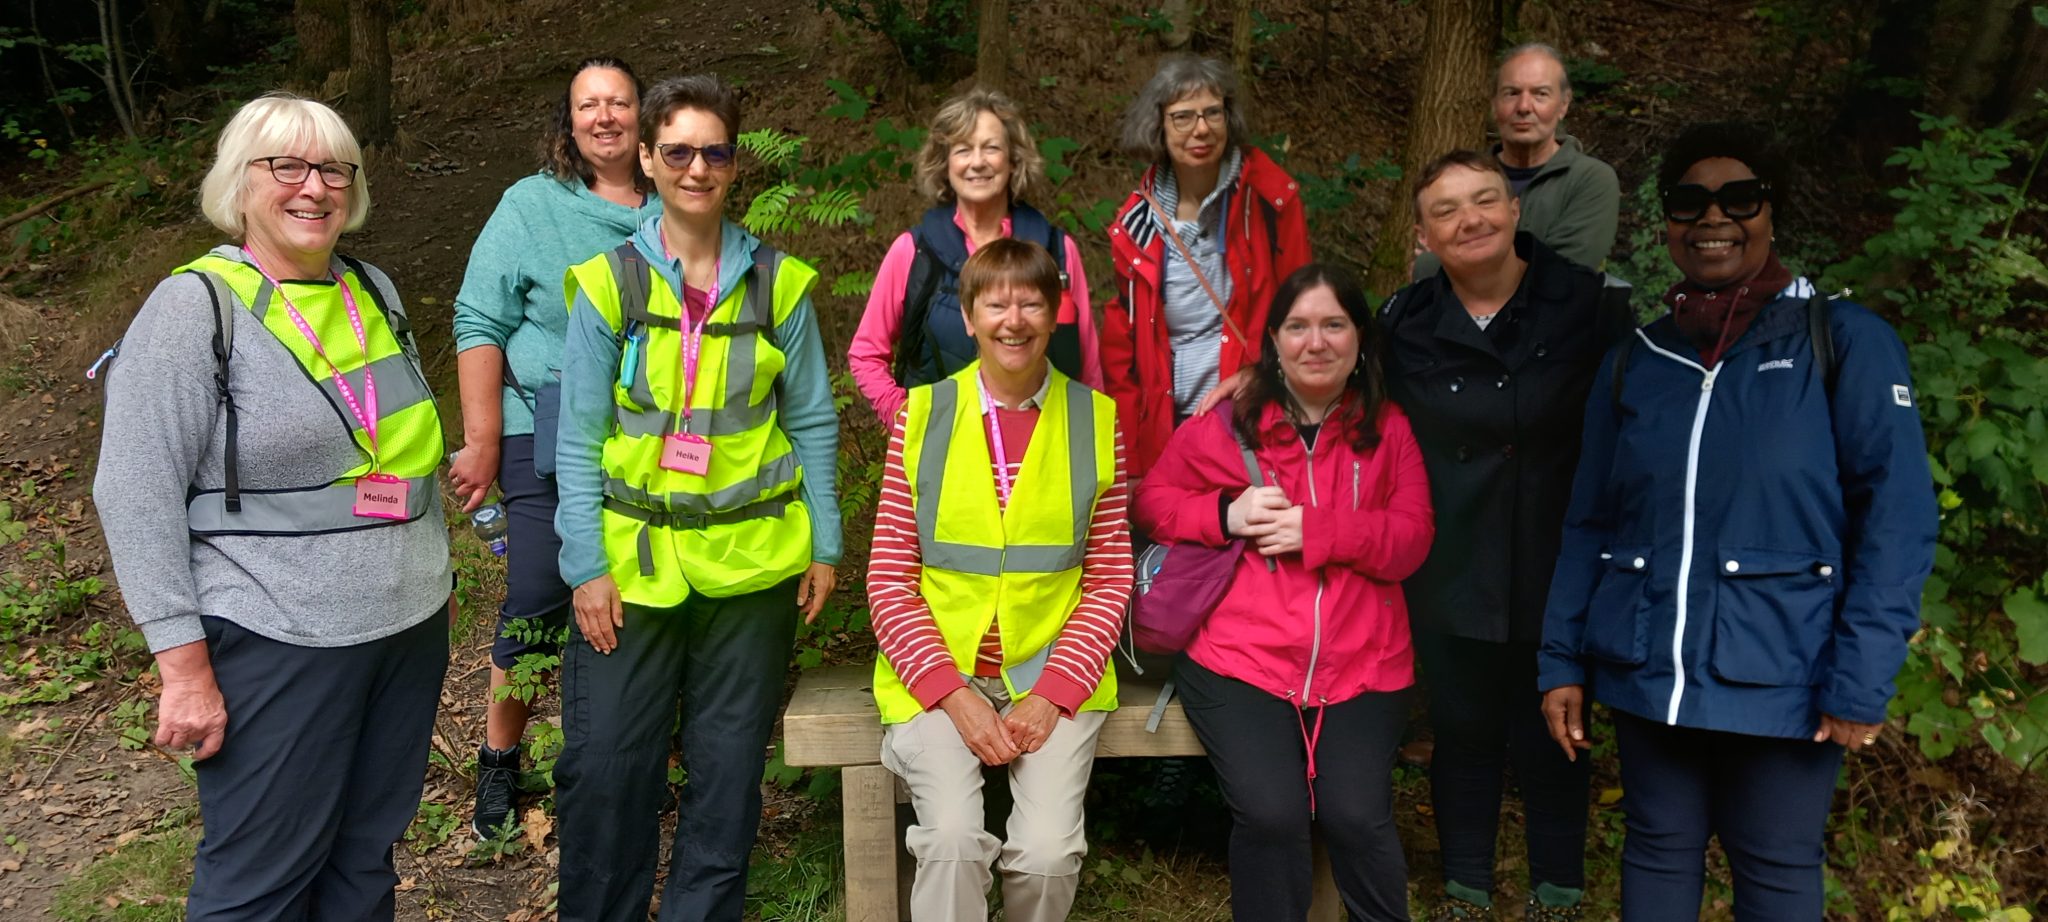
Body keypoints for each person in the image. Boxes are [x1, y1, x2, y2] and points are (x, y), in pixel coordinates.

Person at [1537, 123, 1937, 920]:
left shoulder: (1843, 341)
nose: (1713, 217)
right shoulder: (1640, 360)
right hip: (1650, 668)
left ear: (1772, 214)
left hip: (1786, 673)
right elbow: (1589, 520)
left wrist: (1861, 678)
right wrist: (1562, 660)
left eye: (1738, 199)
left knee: (1779, 869)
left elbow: (1896, 519)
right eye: (1690, 202)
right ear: (1667, 225)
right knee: (1653, 851)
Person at [92, 93, 451, 920]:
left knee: (365, 864)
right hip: (276, 635)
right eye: (285, 165)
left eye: (332, 168)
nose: (313, 187)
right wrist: (181, 665)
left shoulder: (375, 288)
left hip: (405, 628)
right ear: (239, 184)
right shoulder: (195, 308)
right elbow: (133, 486)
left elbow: (390, 453)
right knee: (261, 880)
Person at [550, 73, 841, 921]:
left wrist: (824, 541)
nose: (697, 167)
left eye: (714, 151)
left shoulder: (778, 285)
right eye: (677, 151)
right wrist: (584, 565)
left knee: (725, 771)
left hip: (752, 566)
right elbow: (577, 437)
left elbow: (814, 421)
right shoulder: (608, 285)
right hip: (631, 570)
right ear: (646, 158)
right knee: (606, 767)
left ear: (734, 163)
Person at [1135, 264, 1434, 922]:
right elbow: (1153, 503)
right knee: (1272, 815)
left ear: (1361, 337)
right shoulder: (1228, 422)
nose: (1316, 342)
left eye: (1333, 325)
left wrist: (1320, 529)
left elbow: (1412, 540)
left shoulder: (1389, 430)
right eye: (1298, 327)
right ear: (1272, 341)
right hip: (1240, 660)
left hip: (1366, 662)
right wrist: (1224, 515)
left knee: (1356, 816)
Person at [1380, 150, 1634, 921]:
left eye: (1485, 200)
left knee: (1559, 732)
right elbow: (1337, 392)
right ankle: (1466, 888)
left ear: (1515, 209)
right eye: (1448, 210)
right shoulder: (1405, 321)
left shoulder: (1590, 305)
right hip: (1455, 562)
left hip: (1561, 557)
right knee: (1461, 733)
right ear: (1424, 234)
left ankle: (1557, 891)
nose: (1472, 220)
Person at [867, 238, 1133, 922]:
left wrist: (1052, 695)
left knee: (1046, 852)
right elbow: (890, 579)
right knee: (953, 840)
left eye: (1031, 302)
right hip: (937, 677)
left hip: (1052, 675)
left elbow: (1108, 580)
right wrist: (953, 697)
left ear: (1055, 313)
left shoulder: (1098, 421)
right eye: (996, 302)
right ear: (968, 314)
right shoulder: (919, 418)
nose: (1013, 319)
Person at [449, 54, 659, 838]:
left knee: (642, 592)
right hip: (541, 425)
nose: (605, 116)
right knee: (541, 588)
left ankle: (614, 758)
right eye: (587, 105)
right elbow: (479, 321)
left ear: (645, 115)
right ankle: (501, 759)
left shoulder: (672, 205)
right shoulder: (531, 207)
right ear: (567, 122)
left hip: (647, 435)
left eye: (620, 102)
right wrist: (479, 442)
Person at [1102, 55, 1311, 477]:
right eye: (1182, 117)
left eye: (1212, 113)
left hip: (1253, 420)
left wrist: (1264, 372)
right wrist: (1132, 461)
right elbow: (1123, 353)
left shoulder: (1269, 201)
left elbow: (1304, 307)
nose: (1201, 129)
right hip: (1168, 427)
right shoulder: (1136, 224)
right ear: (1159, 125)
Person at [848, 87, 1103, 423]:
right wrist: (902, 415)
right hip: (941, 452)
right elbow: (866, 354)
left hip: (1041, 447)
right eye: (963, 149)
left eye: (992, 148)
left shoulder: (1056, 250)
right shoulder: (914, 252)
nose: (978, 162)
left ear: (1013, 161)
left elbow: (1089, 370)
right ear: (945, 163)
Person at [1413, 43, 1620, 280]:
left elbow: (1562, 274)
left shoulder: (1589, 179)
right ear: (1494, 104)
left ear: (1563, 104)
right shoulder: (1462, 180)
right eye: (1512, 93)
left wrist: (1439, 262)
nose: (1523, 107)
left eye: (1540, 94)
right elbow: (1426, 280)